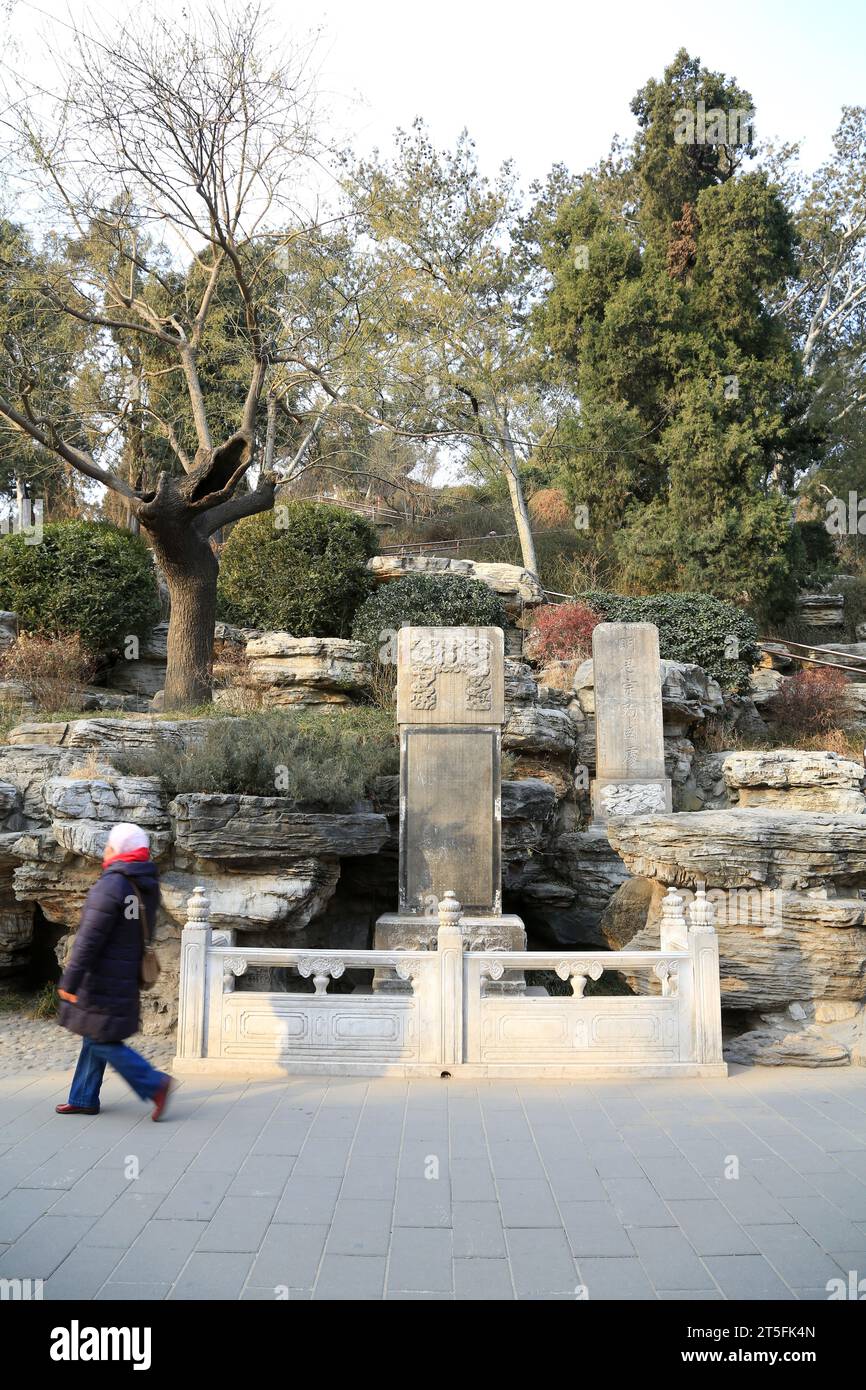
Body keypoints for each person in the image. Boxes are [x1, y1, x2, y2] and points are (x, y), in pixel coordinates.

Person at [55, 822, 173, 1120]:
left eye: (109, 845)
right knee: (94, 1031)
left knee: (100, 1037)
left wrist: (70, 979)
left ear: (119, 850)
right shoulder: (144, 883)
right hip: (124, 974)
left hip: (103, 977)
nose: (105, 850)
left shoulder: (112, 884)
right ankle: (83, 1096)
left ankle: (154, 1084)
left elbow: (88, 939)